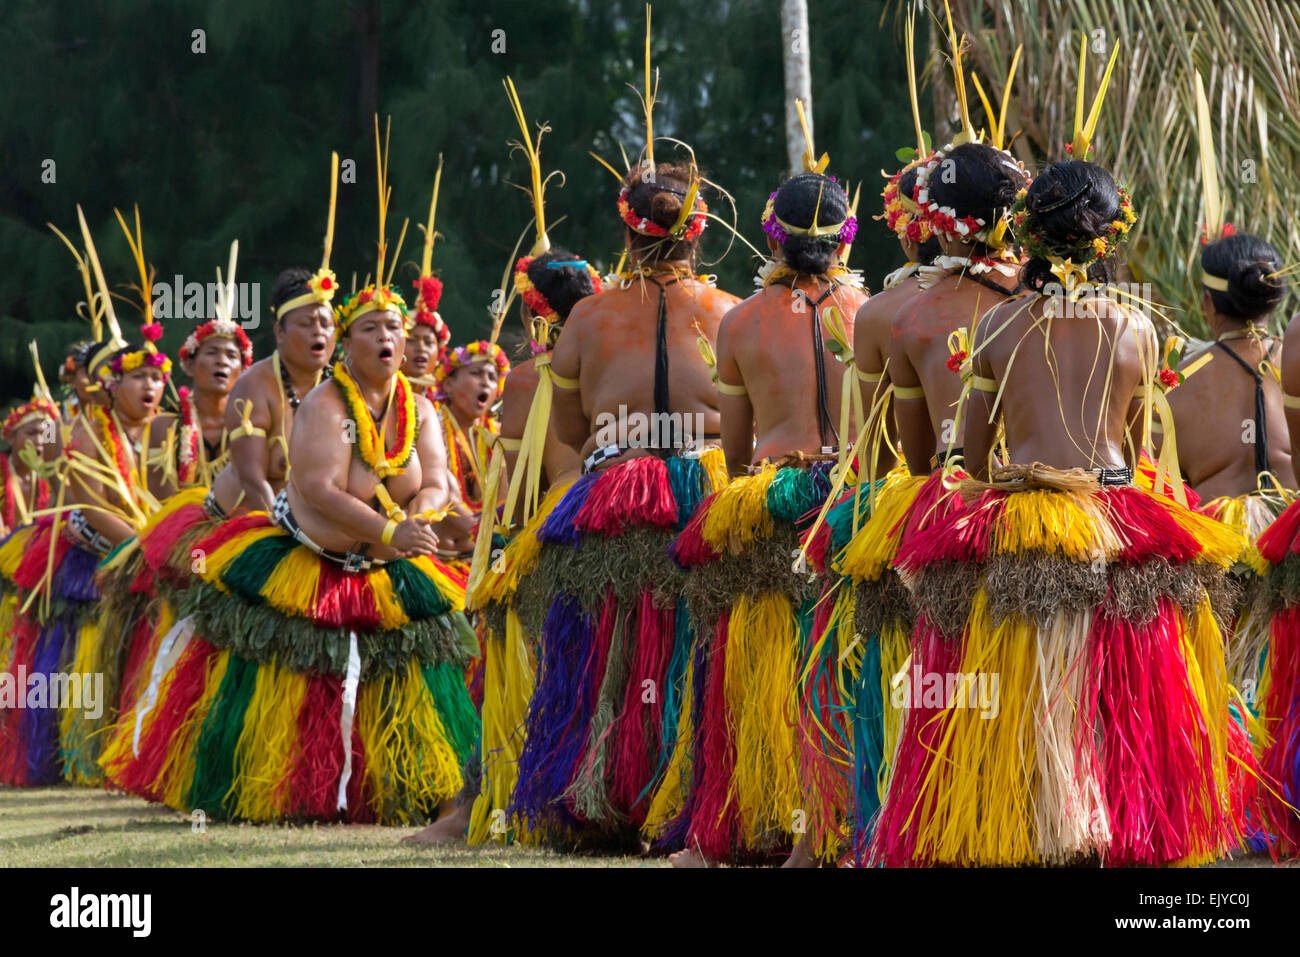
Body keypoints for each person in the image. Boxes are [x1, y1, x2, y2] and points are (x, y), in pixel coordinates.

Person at [868, 157, 1261, 866]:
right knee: (1124, 709)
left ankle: (1029, 830)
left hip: (1024, 525)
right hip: (1117, 523)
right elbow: (1139, 450)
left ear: (1029, 236)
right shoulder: (1137, 330)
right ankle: (1114, 833)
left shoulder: (994, 331)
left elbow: (978, 459)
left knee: (1016, 710)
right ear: (1107, 240)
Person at [508, 156, 735, 848]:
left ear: (627, 238)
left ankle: (605, 799)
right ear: (698, 233)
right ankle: (697, 802)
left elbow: (572, 434)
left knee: (615, 653)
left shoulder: (589, 318)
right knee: (697, 651)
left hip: (616, 491)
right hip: (708, 487)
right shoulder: (729, 311)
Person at [663, 163, 868, 868]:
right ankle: (839, 829)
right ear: (846, 236)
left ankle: (758, 823)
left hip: (773, 499)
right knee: (842, 669)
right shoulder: (869, 317)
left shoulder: (741, 322)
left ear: (772, 235)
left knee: (763, 672)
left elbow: (739, 446)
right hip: (850, 501)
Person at [0, 207, 174, 786]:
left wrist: (167, 534)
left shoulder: (157, 434)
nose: (153, 387)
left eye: (157, 377)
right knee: (86, 654)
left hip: (134, 549)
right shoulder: (79, 434)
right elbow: (94, 506)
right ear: (109, 385)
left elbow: (166, 495)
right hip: (87, 557)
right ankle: (83, 753)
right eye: (139, 378)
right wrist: (152, 546)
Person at [1165, 233, 1292, 690]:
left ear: (1207, 304)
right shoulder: (1293, 364)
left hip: (1215, 576)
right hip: (1290, 558)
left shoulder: (1177, 382)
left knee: (1228, 703)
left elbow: (1163, 491)